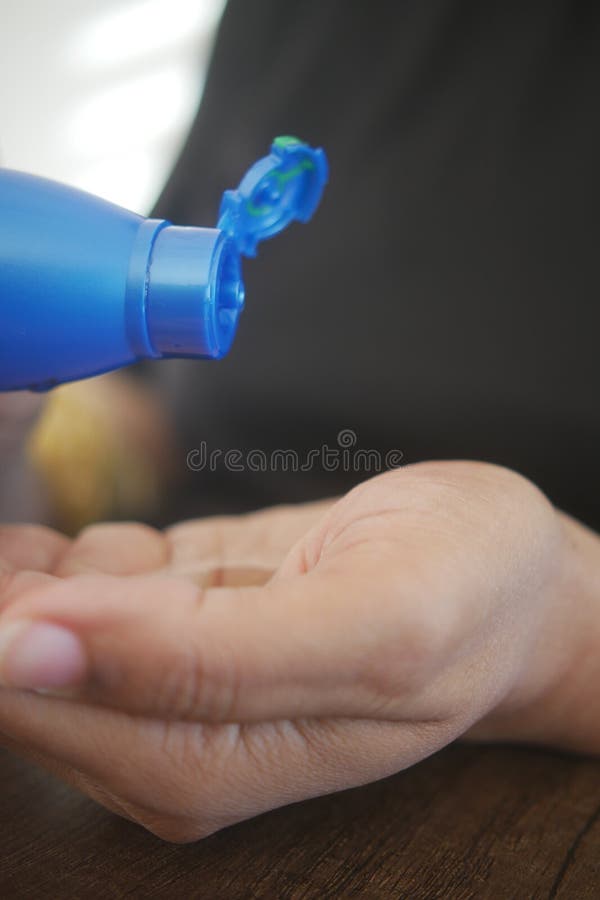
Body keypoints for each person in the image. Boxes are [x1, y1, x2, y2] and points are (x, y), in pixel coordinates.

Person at [0, 0, 598, 842]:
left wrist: (567, 637)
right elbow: (147, 407)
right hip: (140, 611)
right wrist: (21, 453)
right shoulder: (290, 17)